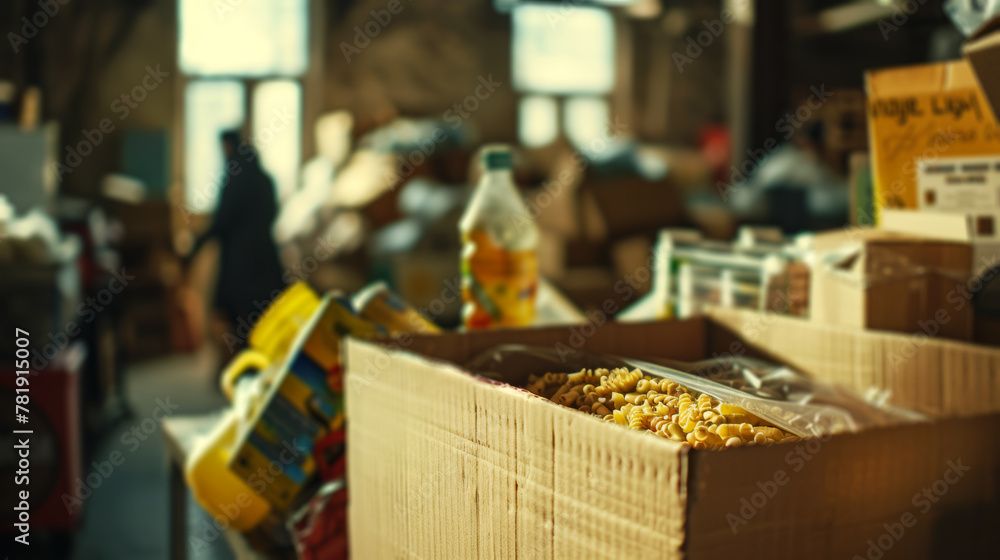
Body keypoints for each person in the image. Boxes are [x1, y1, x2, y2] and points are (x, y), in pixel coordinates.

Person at [186, 130, 285, 350]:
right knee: (264, 314)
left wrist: (197, 244)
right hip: (266, 258)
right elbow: (273, 213)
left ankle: (244, 364)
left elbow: (222, 221)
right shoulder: (266, 178)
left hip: (240, 263)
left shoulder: (234, 178)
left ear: (229, 146)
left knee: (239, 318)